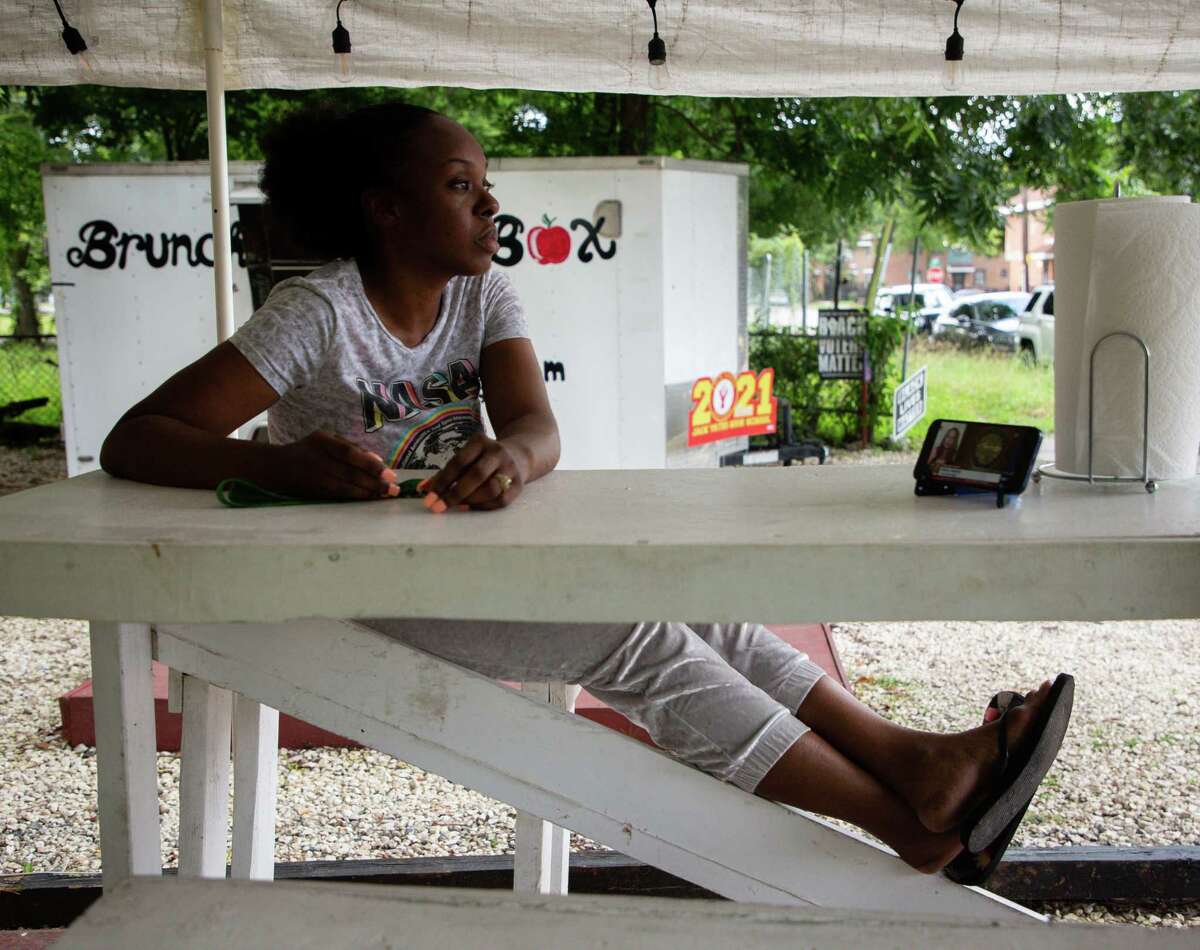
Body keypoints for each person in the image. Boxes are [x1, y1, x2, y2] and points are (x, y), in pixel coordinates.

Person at [99, 101, 1072, 884]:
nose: (489, 204)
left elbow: (536, 425)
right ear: (385, 211)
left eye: (487, 183)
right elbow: (137, 438)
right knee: (636, 635)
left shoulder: (482, 294)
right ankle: (904, 818)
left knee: (697, 604)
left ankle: (915, 766)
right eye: (460, 185)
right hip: (347, 587)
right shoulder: (316, 312)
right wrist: (280, 466)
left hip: (457, 563)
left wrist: (512, 460)